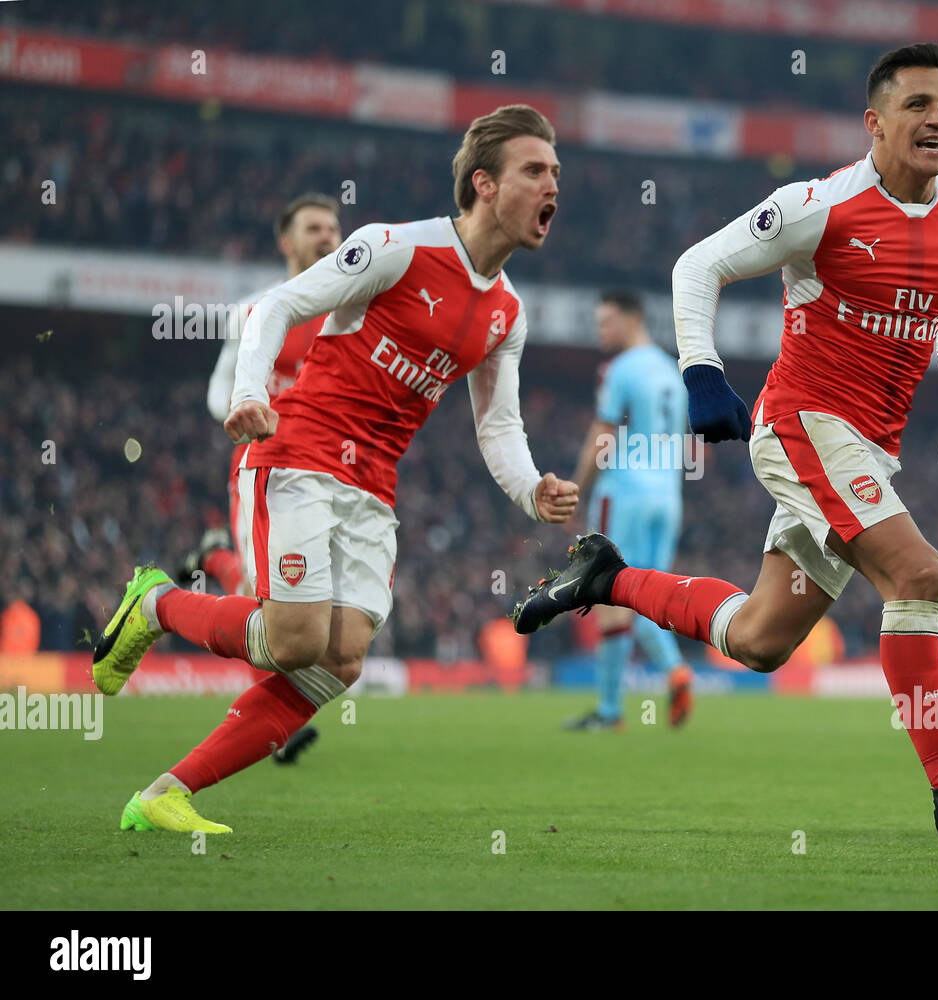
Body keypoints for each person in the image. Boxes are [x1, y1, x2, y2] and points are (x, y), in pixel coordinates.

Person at [514, 44, 938, 856]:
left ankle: (608, 576)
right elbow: (698, 265)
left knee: (763, 639)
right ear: (875, 123)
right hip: (804, 423)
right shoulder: (820, 206)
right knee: (919, 574)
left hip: (872, 449)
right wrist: (704, 374)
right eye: (918, 105)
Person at [92, 104, 578, 834]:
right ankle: (157, 602)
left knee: (341, 658)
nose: (553, 187)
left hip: (374, 484)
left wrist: (530, 486)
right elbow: (277, 307)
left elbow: (499, 425)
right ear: (484, 184)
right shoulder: (395, 249)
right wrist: (251, 394)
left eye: (556, 173)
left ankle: (165, 792)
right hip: (301, 457)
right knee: (292, 639)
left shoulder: (508, 312)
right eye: (535, 171)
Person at [189, 192, 343, 765]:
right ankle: (271, 726)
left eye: (333, 227)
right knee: (270, 602)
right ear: (287, 241)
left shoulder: (353, 315)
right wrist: (251, 414)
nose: (328, 236)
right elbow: (216, 394)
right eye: (314, 227)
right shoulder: (257, 311)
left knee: (309, 610)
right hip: (264, 473)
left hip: (332, 478)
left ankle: (213, 557)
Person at [562, 291, 692, 731]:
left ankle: (611, 710)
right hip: (668, 496)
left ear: (633, 318)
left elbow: (604, 434)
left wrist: (577, 490)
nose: (601, 331)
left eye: (607, 322)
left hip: (625, 493)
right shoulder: (673, 371)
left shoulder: (619, 369)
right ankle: (671, 672)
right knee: (648, 597)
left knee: (610, 594)